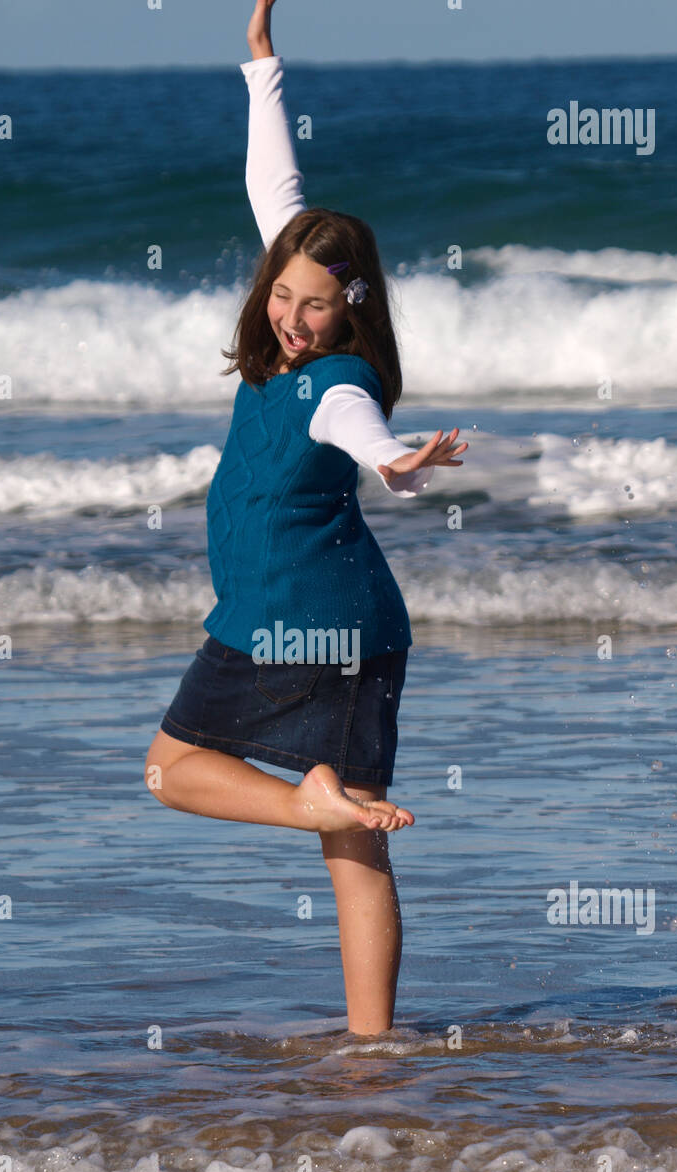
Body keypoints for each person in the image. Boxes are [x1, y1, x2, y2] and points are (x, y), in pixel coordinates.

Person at [146, 0, 466, 1035]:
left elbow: (361, 430)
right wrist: (261, 66)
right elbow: (271, 187)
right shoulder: (286, 348)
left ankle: (303, 802)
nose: (291, 315)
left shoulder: (333, 383)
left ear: (353, 311)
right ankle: (372, 1050)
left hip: (298, 618)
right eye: (283, 293)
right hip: (343, 625)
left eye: (316, 304)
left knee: (171, 770)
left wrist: (397, 464)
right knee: (357, 844)